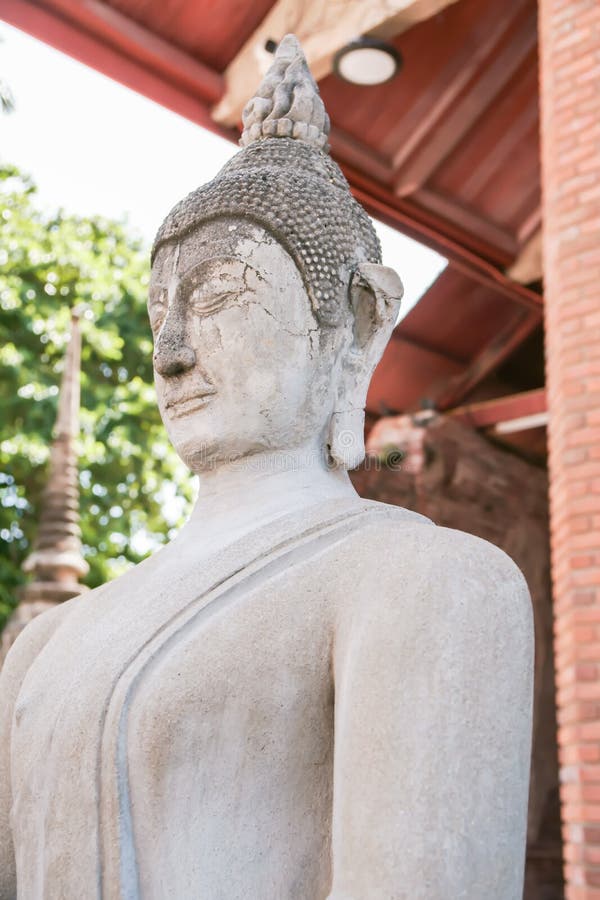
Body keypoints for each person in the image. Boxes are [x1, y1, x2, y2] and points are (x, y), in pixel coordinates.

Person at [0, 35, 533, 900]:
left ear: (356, 324)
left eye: (217, 295)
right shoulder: (47, 647)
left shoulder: (428, 585)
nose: (169, 352)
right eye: (159, 311)